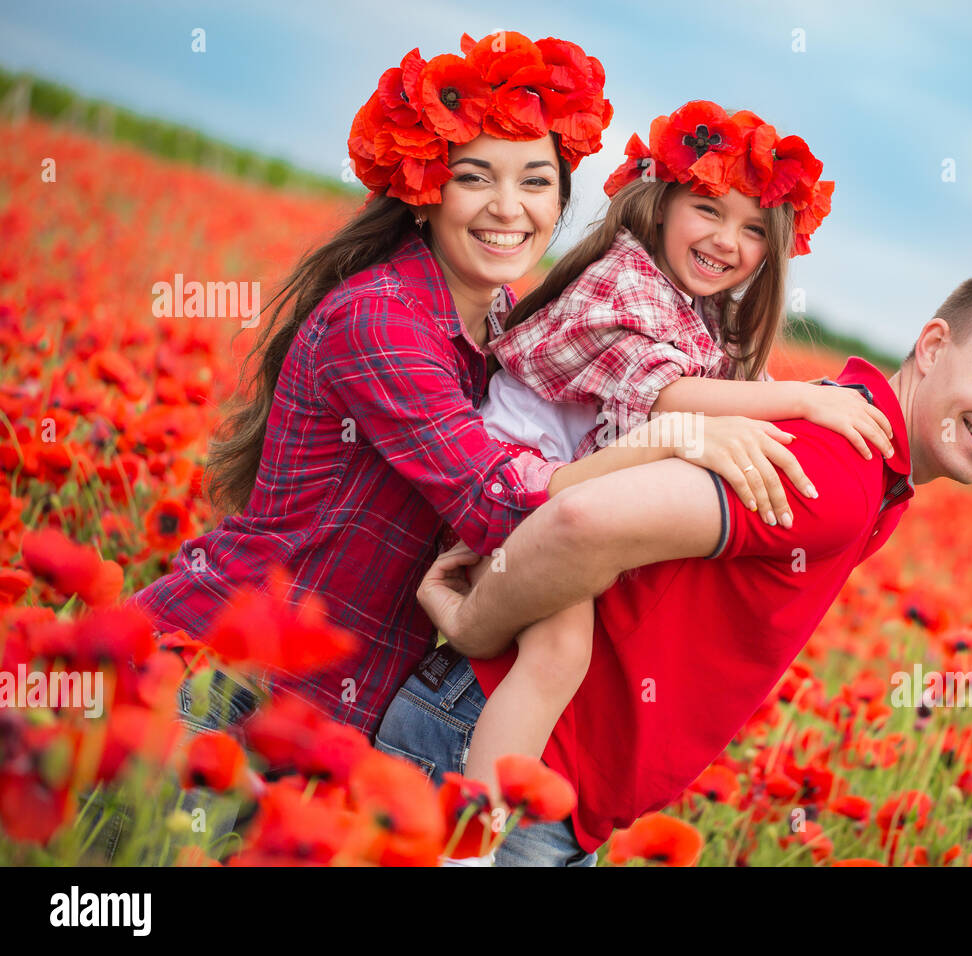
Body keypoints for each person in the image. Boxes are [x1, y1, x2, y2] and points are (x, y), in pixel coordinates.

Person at [110, 33, 807, 861]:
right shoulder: (381, 319)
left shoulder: (506, 319)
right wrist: (680, 433)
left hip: (330, 716)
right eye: (475, 177)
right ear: (424, 189)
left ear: (561, 200)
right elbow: (504, 508)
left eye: (536, 181)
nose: (509, 208)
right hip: (211, 685)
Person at [387, 270, 972, 866]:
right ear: (935, 345)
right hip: (501, 758)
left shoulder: (871, 463)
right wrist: (476, 624)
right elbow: (583, 520)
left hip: (543, 780)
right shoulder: (840, 469)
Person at [457, 99, 896, 818]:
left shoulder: (699, 311)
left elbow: (719, 391)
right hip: (515, 474)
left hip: (570, 487)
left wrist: (797, 397)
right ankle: (468, 840)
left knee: (563, 644)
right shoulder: (625, 277)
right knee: (560, 654)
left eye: (755, 229)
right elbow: (663, 395)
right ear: (660, 206)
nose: (728, 241)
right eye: (709, 209)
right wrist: (807, 403)